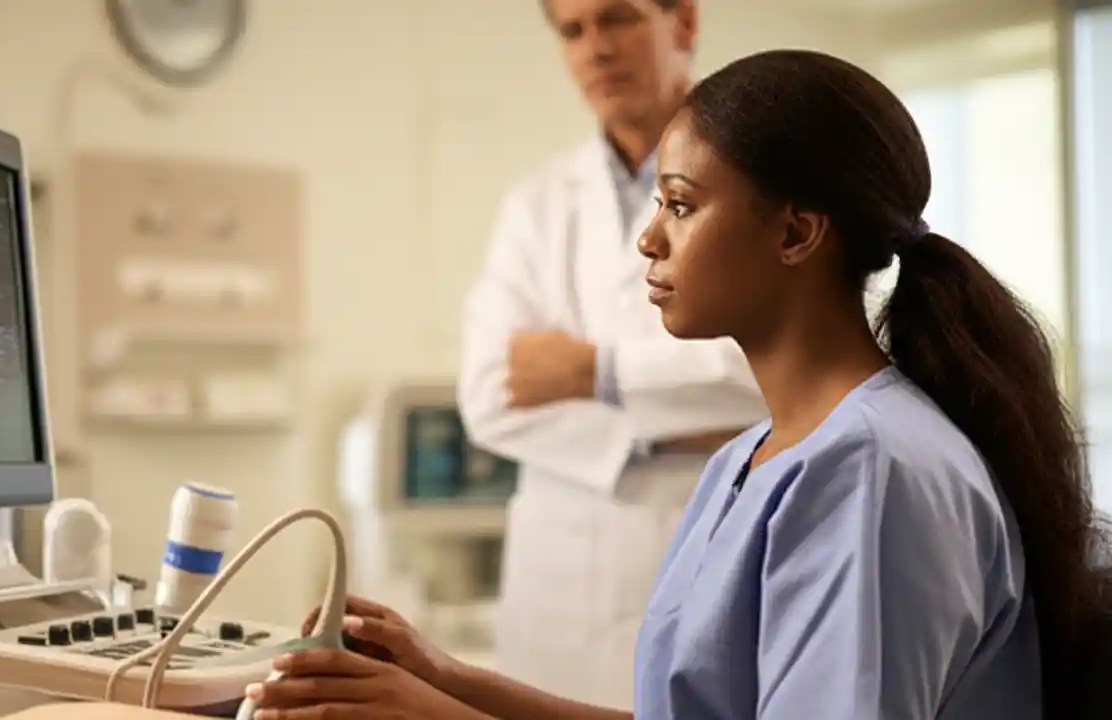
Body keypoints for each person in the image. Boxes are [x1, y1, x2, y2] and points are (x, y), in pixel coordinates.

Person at [243, 48, 1112, 720]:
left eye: (682, 205)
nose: (649, 240)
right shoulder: (752, 458)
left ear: (798, 233)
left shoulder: (870, 471)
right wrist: (452, 680)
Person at [456, 0, 766, 707]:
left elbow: (783, 370)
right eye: (573, 30)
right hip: (557, 587)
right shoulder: (536, 205)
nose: (596, 48)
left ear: (682, 22)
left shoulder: (764, 174)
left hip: (708, 538)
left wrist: (595, 372)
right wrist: (678, 420)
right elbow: (487, 395)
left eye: (618, 17)